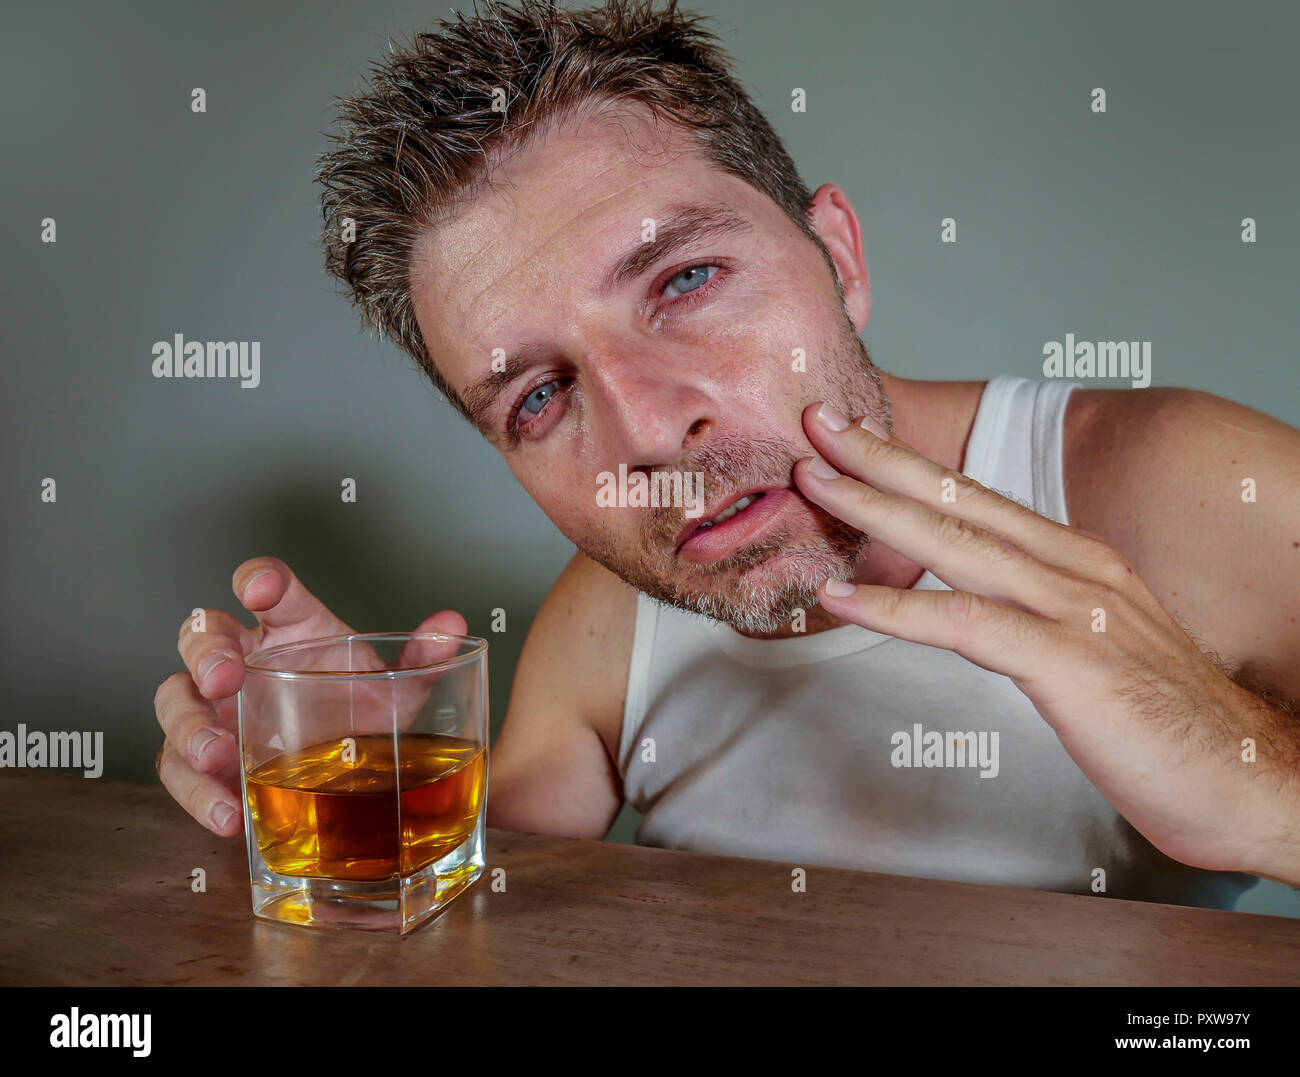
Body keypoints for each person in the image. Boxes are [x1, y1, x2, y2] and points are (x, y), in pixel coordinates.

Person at [153, 0, 1300, 909]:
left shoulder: (1184, 487)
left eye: (685, 282)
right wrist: (371, 799)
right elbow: (490, 912)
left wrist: (1253, 785)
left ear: (837, 255)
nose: (650, 435)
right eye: (543, 396)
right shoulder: (604, 618)